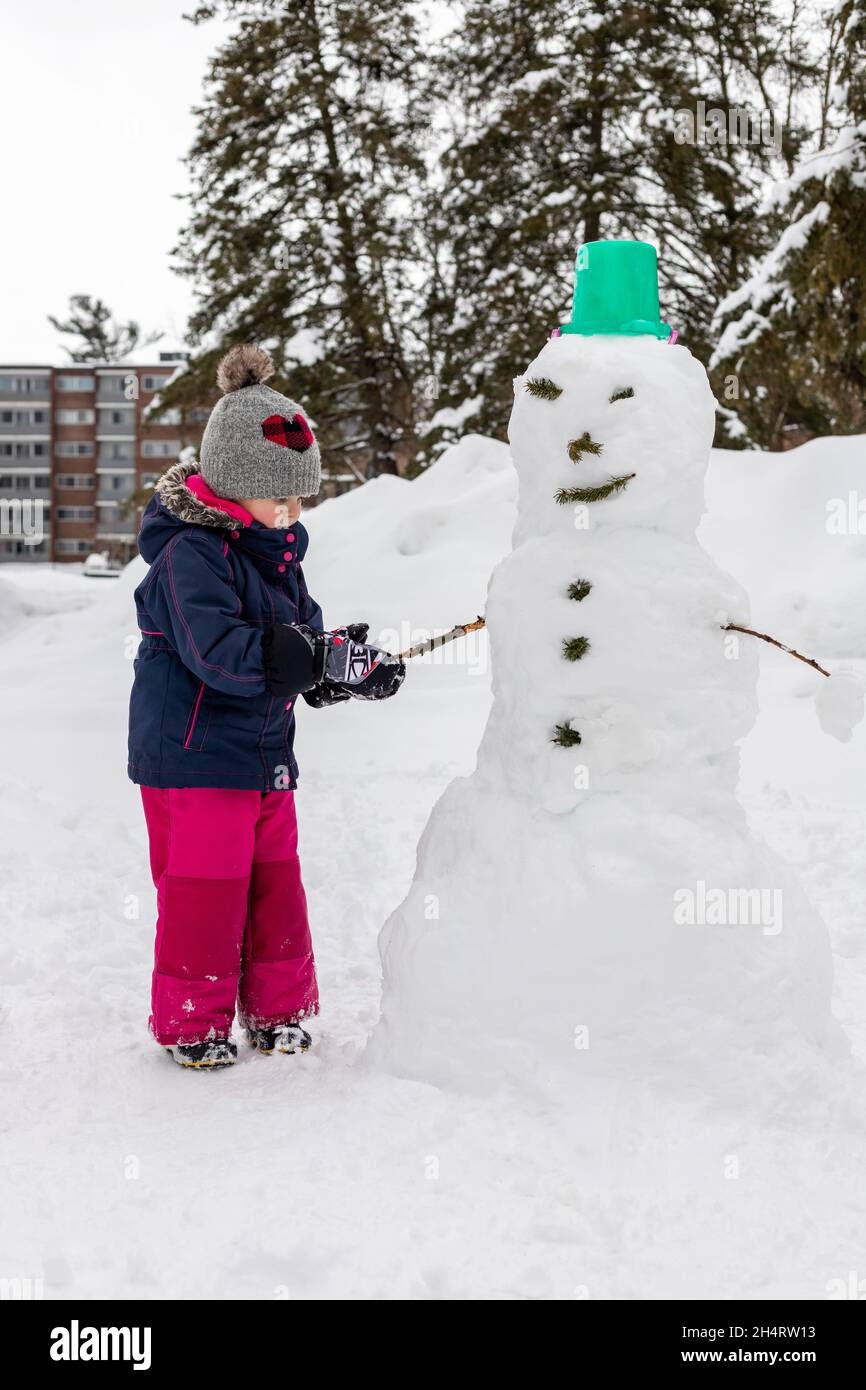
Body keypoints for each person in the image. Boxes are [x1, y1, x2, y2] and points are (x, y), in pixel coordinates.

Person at [127, 344, 404, 1068]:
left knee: (276, 886)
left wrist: (339, 666)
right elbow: (219, 653)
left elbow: (296, 648)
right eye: (275, 495)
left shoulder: (277, 555)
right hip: (193, 762)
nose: (289, 510)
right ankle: (194, 1020)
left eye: (298, 496)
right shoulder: (191, 555)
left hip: (262, 758)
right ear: (229, 486)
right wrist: (305, 659)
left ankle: (278, 1012)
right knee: (205, 894)